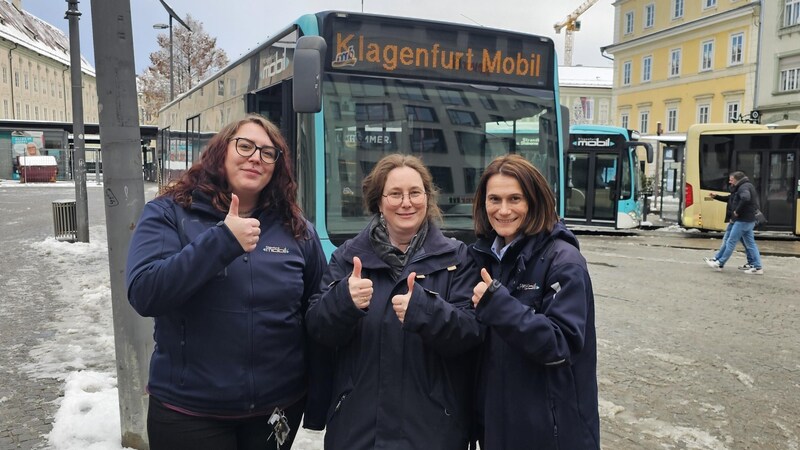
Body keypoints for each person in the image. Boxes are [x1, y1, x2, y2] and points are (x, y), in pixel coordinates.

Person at [125, 115, 330, 450]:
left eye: (267, 153)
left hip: (276, 409)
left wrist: (317, 400)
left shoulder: (297, 229)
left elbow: (316, 315)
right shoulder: (169, 213)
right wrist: (221, 242)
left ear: (277, 167)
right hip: (190, 413)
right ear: (220, 152)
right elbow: (146, 293)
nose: (255, 158)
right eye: (245, 146)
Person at [306, 154, 483, 450]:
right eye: (395, 194)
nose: (406, 203)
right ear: (379, 202)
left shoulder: (458, 258)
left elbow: (472, 334)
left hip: (432, 433)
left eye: (415, 193)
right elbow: (317, 327)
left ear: (427, 198)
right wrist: (344, 301)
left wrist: (425, 311)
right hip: (357, 431)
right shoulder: (348, 257)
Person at [469, 154, 600, 449]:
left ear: (534, 201)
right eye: (494, 199)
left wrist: (498, 306)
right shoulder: (482, 257)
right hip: (499, 426)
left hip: (551, 433)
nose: (503, 210)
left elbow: (561, 344)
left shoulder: (564, 262)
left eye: (515, 199)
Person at [704, 171, 764, 274]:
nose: (729, 181)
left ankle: (720, 263)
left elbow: (745, 198)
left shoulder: (743, 188)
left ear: (736, 179)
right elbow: (732, 199)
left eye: (731, 179)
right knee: (750, 244)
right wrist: (717, 196)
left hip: (742, 220)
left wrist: (737, 211)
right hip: (747, 220)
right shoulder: (745, 186)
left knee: (730, 241)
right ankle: (757, 267)